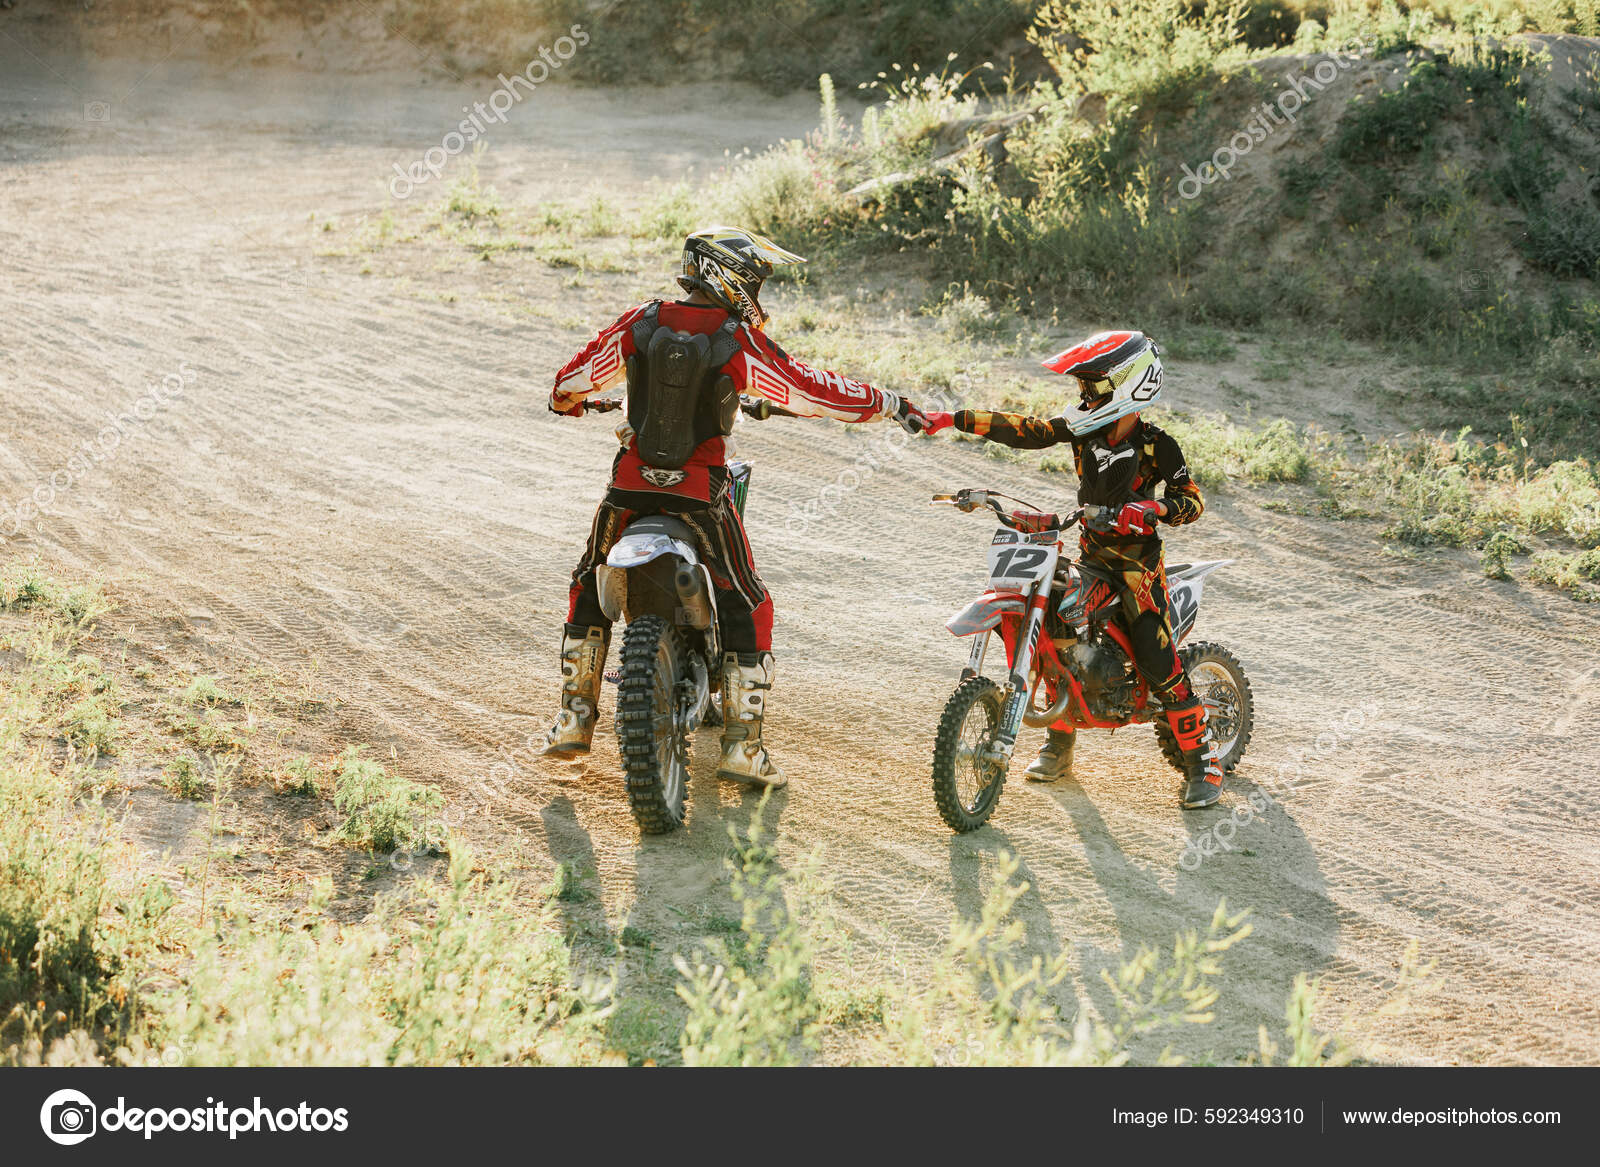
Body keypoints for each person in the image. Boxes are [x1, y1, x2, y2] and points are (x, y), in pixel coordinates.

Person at [541, 226, 932, 788]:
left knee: (587, 581)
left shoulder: (641, 321)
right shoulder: (734, 339)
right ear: (730, 273)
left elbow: (572, 380)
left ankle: (573, 720)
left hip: (629, 490)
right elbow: (812, 390)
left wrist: (571, 403)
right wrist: (887, 402)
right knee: (748, 601)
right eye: (756, 276)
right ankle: (742, 749)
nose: (758, 287)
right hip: (698, 495)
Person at [923, 330, 1224, 808]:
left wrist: (1153, 511)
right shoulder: (1084, 430)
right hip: (1091, 558)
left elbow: (1192, 501)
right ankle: (1060, 744)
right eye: (1082, 387)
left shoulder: (1157, 445)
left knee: (1156, 655)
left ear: (1130, 384)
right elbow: (1026, 429)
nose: (1084, 397)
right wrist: (950, 419)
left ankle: (1201, 763)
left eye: (1093, 387)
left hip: (1136, 570)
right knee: (1053, 627)